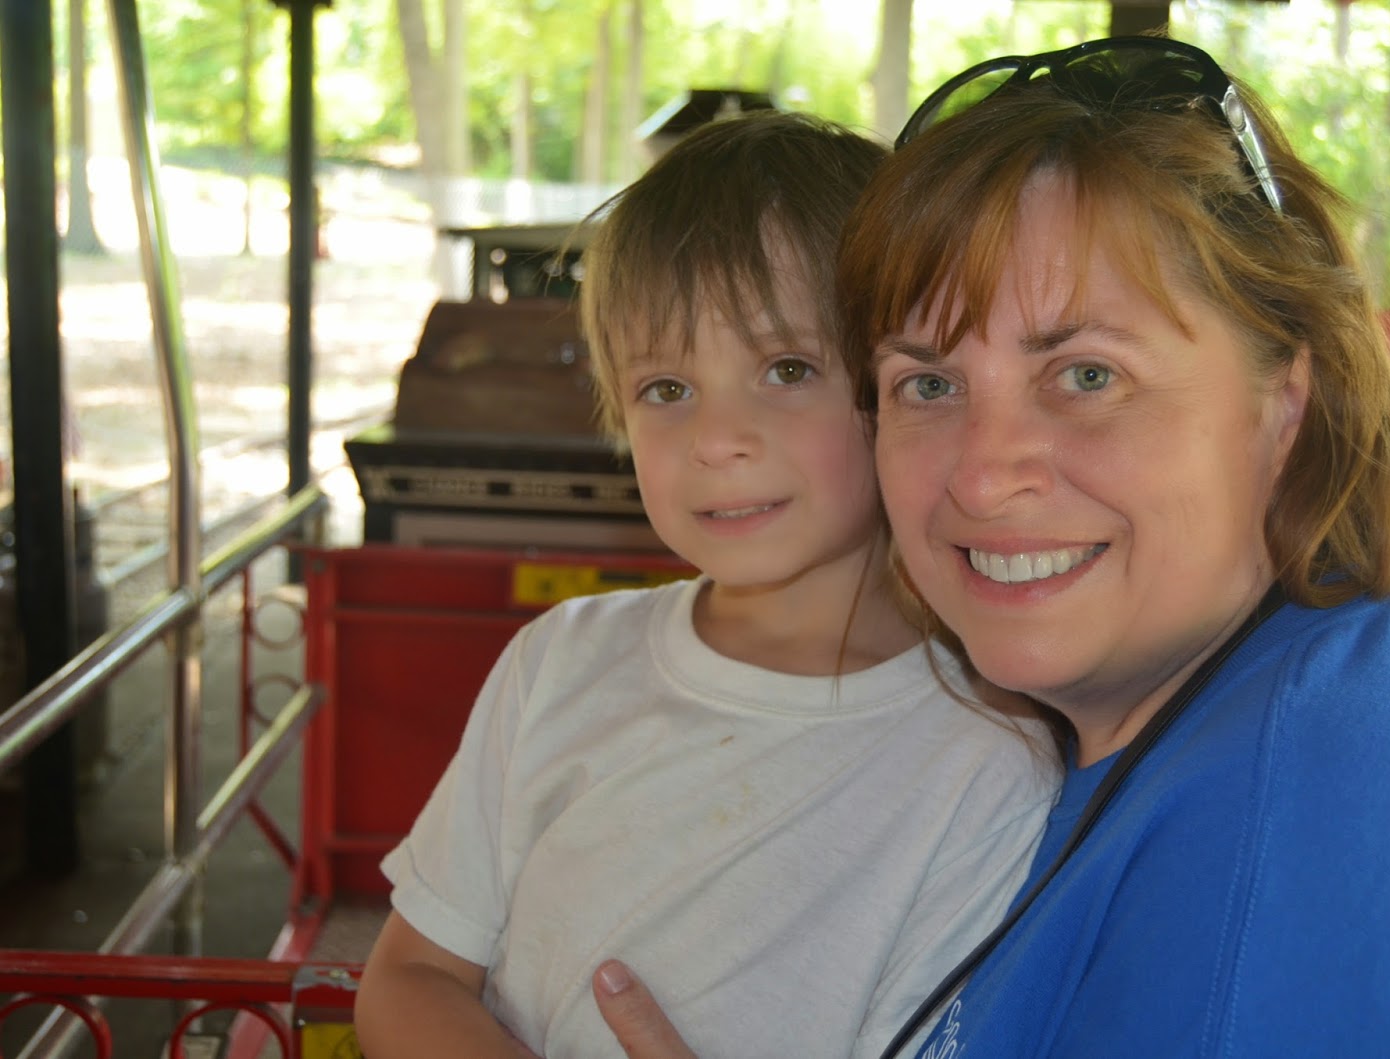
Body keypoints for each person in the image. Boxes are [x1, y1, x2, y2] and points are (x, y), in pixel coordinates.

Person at [583, 36, 1390, 1058]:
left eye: (1086, 376)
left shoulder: (1334, 821)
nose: (983, 476)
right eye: (927, 385)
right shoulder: (1251, 716)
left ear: (1285, 402)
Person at [351, 111, 1060, 1059]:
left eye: (787, 368)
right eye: (667, 389)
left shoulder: (988, 759)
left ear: (902, 387)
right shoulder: (559, 661)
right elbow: (410, 976)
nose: (717, 437)